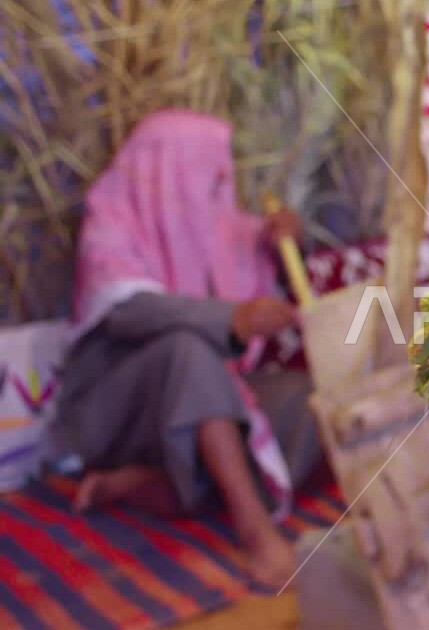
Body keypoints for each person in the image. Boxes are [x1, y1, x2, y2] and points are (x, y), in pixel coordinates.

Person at [53, 110, 324, 588]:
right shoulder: (109, 225)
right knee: (187, 350)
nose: (221, 193)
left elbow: (254, 250)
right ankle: (256, 532)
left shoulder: (214, 226)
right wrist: (231, 319)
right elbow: (129, 311)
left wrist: (286, 245)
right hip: (120, 411)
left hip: (200, 399)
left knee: (304, 401)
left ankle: (153, 487)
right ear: (169, 174)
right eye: (211, 179)